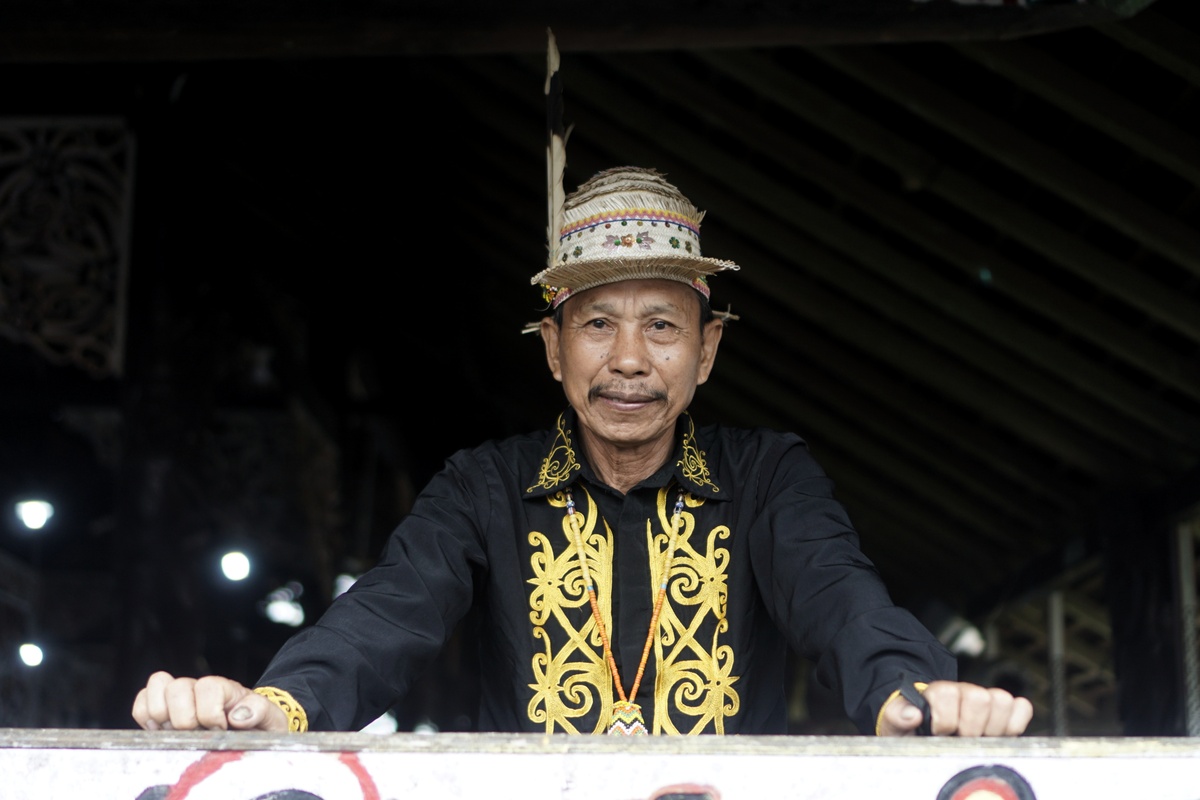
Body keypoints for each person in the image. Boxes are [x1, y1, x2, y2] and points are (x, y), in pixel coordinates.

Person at [132, 166, 1033, 738]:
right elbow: (386, 617)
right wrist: (269, 705)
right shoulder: (483, 486)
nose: (630, 359)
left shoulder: (766, 477)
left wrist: (915, 696)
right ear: (555, 350)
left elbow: (842, 599)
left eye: (662, 326)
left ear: (707, 350)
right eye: (597, 324)